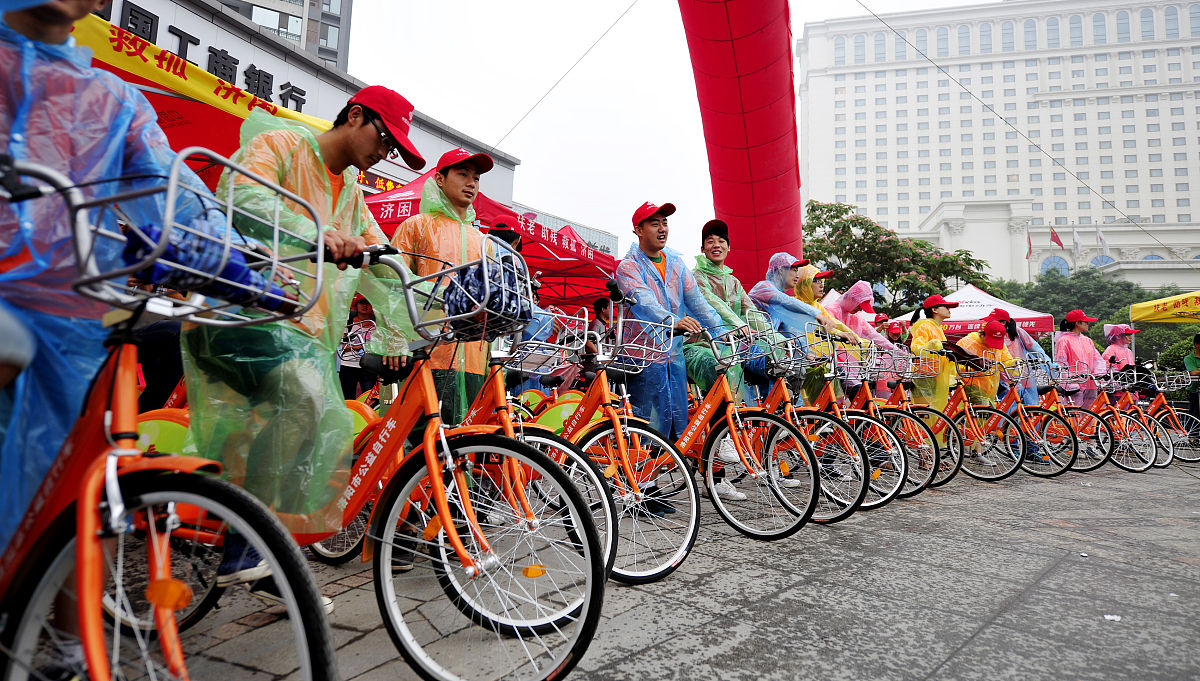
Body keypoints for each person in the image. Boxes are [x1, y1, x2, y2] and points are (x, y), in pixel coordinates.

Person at [181, 86, 426, 607]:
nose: (385, 153)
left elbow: (381, 263)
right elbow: (240, 197)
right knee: (307, 399)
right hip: (237, 316)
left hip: (298, 336)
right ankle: (246, 546)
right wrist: (319, 231)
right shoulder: (280, 145)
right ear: (355, 115)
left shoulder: (353, 194)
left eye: (394, 151)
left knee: (317, 425)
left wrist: (433, 306)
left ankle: (271, 550)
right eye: (385, 139)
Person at [0, 0, 225, 553]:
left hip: (70, 330)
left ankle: (67, 641)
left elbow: (175, 197)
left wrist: (241, 261)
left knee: (69, 511)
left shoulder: (115, 100)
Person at [614, 201, 734, 504]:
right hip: (642, 357)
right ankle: (638, 489)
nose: (662, 228)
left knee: (672, 424)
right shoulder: (628, 266)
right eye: (654, 223)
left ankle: (654, 484)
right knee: (645, 424)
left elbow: (699, 304)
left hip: (673, 357)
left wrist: (723, 331)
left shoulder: (678, 266)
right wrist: (672, 321)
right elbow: (642, 301)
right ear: (638, 229)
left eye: (664, 222)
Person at [391, 147, 495, 425]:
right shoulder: (417, 226)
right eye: (463, 174)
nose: (471, 183)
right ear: (439, 179)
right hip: (427, 353)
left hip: (475, 358)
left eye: (476, 177)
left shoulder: (484, 242)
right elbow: (392, 285)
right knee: (420, 443)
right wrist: (393, 340)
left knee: (468, 449)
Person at [687, 219, 760, 402]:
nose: (716, 245)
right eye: (710, 241)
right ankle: (721, 427)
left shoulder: (733, 282)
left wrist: (776, 338)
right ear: (702, 249)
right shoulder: (697, 276)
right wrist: (739, 325)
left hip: (730, 348)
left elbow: (751, 312)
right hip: (699, 346)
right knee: (721, 373)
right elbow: (713, 304)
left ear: (729, 247)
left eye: (721, 241)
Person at [986, 307, 1050, 408]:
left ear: (1003, 322)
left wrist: (1049, 365)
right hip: (1005, 378)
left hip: (1022, 375)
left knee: (1030, 409)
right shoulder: (992, 333)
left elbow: (1036, 350)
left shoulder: (1018, 332)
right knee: (1008, 409)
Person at [908, 294, 959, 412]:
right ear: (934, 309)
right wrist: (932, 345)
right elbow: (916, 348)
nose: (949, 309)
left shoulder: (937, 328)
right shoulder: (925, 326)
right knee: (927, 417)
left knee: (937, 414)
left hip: (935, 376)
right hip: (925, 377)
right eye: (945, 306)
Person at [956, 320, 1017, 407]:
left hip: (989, 388)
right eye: (991, 341)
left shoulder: (1000, 346)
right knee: (983, 409)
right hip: (970, 384)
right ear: (983, 334)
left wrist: (1014, 363)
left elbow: (1006, 360)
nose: (993, 345)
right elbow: (955, 363)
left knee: (987, 413)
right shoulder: (968, 343)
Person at [1053, 309, 1106, 407]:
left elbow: (1097, 360)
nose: (1088, 324)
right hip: (1074, 384)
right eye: (1086, 322)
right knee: (1074, 414)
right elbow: (1061, 364)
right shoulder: (1064, 340)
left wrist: (1100, 375)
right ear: (1077, 323)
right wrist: (1068, 383)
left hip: (1090, 383)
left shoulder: (1087, 340)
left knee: (1089, 416)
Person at [339, 296, 377, 399]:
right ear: (356, 305)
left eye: (368, 303)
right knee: (347, 397)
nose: (365, 305)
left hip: (369, 366)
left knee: (370, 397)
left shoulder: (377, 325)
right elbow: (342, 346)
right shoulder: (348, 323)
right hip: (348, 365)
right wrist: (360, 346)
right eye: (361, 303)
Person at [1185, 333, 1200, 419]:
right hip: (1194, 391)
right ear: (1197, 345)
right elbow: (1193, 372)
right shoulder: (1189, 358)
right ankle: (1192, 432)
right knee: (1194, 415)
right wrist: (1196, 370)